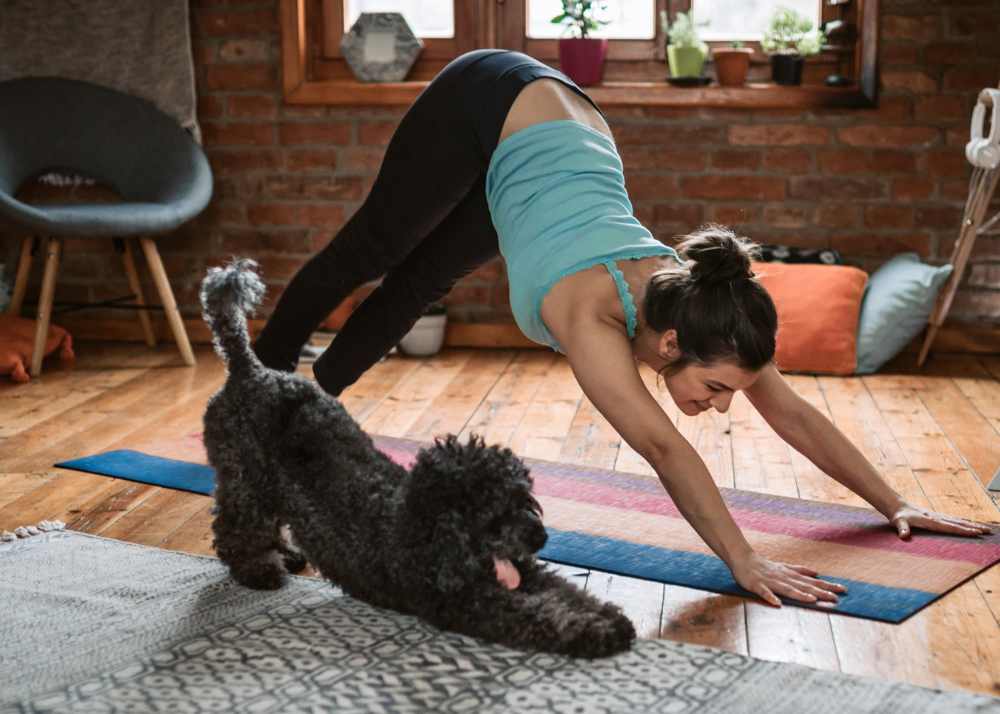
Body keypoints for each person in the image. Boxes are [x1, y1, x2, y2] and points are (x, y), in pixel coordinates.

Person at [253, 49, 994, 607]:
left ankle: (309, 397)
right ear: (670, 346)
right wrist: (742, 560)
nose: (725, 405)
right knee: (375, 253)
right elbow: (664, 447)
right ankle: (259, 384)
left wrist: (891, 501)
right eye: (716, 389)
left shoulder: (708, 315)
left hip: (558, 132)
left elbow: (791, 409)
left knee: (422, 281)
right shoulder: (592, 319)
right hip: (490, 98)